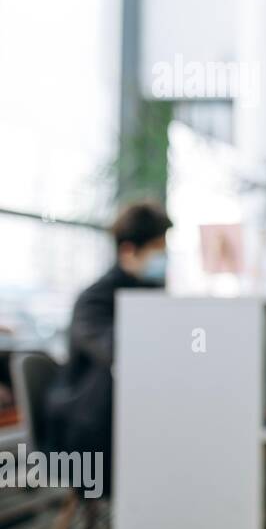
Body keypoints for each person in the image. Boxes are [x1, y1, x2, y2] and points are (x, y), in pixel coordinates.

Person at [46, 200, 172, 503]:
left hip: (121, 421)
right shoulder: (94, 300)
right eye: (157, 247)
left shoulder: (151, 292)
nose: (164, 256)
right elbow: (120, 353)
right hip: (87, 433)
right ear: (129, 250)